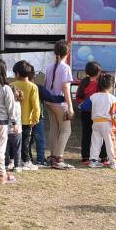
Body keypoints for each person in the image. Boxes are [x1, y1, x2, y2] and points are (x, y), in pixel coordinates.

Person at [41, 40, 76, 170]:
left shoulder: (50, 66)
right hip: (60, 103)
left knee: (54, 129)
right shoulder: (65, 68)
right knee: (66, 130)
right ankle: (58, 158)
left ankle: (52, 156)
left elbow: (44, 84)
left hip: (49, 101)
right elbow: (66, 88)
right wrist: (71, 107)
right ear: (68, 52)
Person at [10, 61, 41, 171]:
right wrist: (35, 119)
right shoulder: (33, 87)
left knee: (13, 141)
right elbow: (36, 106)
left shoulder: (12, 85)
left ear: (17, 73)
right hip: (27, 120)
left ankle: (12, 160)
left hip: (13, 120)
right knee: (25, 143)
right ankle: (26, 161)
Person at [87, 73, 116, 168]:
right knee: (110, 142)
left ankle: (93, 160)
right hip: (107, 124)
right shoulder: (113, 98)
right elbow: (115, 114)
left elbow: (83, 106)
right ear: (112, 86)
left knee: (95, 141)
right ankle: (113, 162)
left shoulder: (93, 96)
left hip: (95, 122)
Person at [76, 61, 102, 167]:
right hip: (96, 113)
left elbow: (78, 97)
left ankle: (85, 157)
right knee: (99, 136)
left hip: (85, 113)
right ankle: (103, 157)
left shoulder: (83, 82)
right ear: (98, 72)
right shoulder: (99, 84)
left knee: (86, 135)